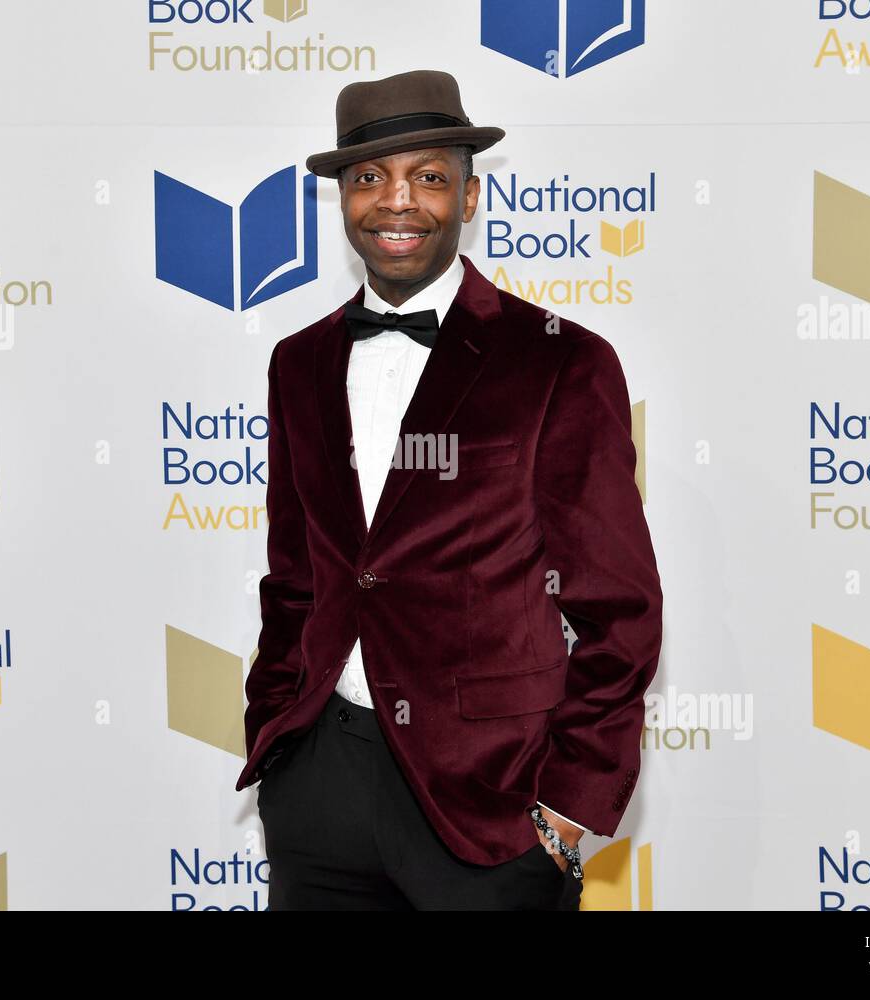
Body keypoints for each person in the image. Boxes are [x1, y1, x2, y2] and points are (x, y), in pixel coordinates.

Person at [234, 69, 663, 910]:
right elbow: (295, 576)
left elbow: (621, 610)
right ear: (342, 200)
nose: (398, 202)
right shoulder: (298, 362)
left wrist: (572, 801)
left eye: (429, 176)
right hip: (319, 792)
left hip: (492, 808)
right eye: (370, 178)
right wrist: (278, 736)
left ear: (468, 199)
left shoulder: (560, 361)